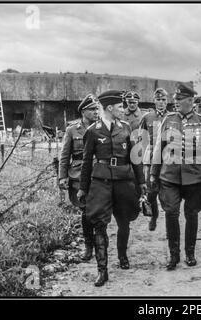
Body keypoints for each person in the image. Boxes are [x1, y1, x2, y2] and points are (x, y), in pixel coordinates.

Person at [77, 90, 146, 287]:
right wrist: (83, 188)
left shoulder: (125, 129)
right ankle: (102, 270)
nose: (122, 110)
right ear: (109, 108)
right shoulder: (93, 131)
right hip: (101, 182)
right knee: (100, 224)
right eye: (119, 107)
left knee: (124, 221)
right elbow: (86, 163)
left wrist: (141, 183)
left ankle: (122, 255)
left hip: (124, 181)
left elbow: (135, 159)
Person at [150, 83, 201, 270]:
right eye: (175, 100)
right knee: (171, 213)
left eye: (180, 100)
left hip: (195, 178)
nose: (176, 103)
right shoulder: (168, 120)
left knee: (192, 214)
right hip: (170, 176)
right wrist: (153, 173)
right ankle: (174, 254)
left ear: (190, 101)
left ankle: (190, 252)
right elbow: (159, 147)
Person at [59, 94, 99, 261]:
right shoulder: (72, 130)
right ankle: (89, 246)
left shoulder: (102, 127)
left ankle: (100, 243)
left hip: (98, 174)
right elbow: (64, 155)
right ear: (84, 111)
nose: (96, 112)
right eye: (92, 109)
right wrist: (62, 177)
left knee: (98, 211)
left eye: (98, 109)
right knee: (86, 212)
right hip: (78, 174)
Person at [139, 88, 169, 231]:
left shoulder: (172, 117)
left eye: (163, 100)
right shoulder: (147, 118)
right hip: (151, 160)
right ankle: (154, 217)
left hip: (168, 160)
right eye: (158, 100)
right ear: (154, 101)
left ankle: (171, 223)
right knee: (151, 193)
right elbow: (141, 139)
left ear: (167, 101)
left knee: (168, 194)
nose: (161, 103)